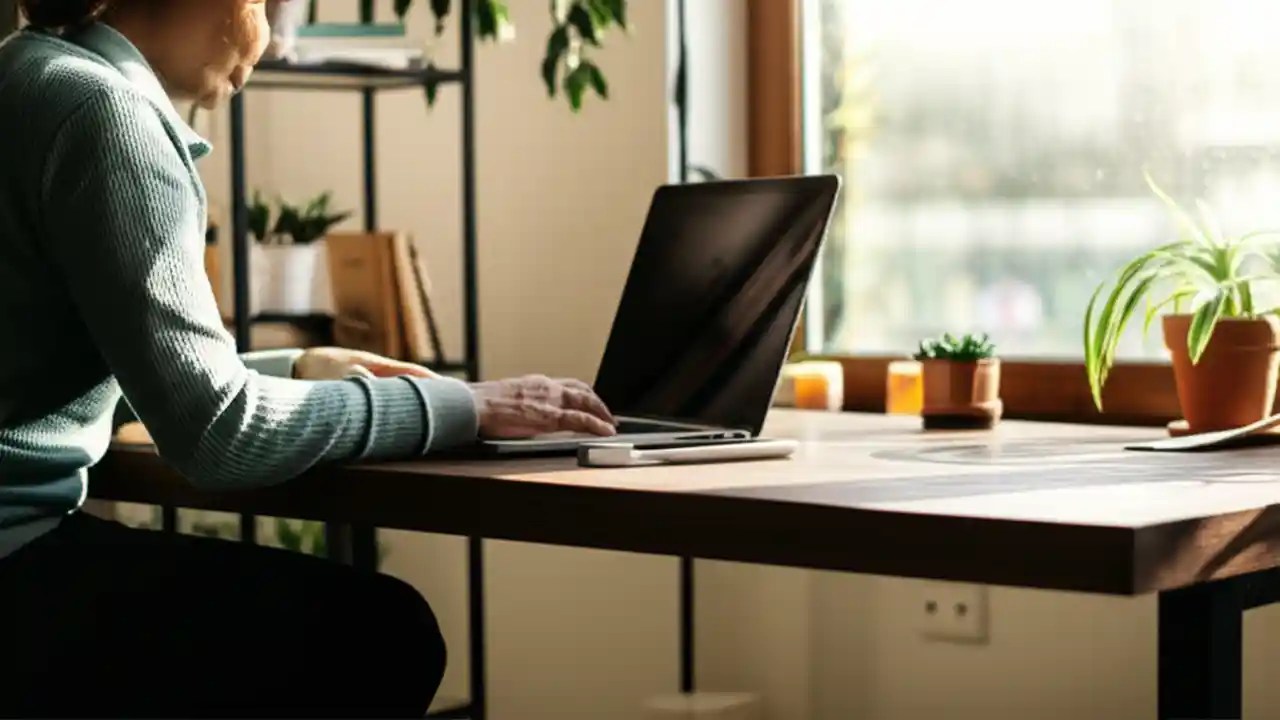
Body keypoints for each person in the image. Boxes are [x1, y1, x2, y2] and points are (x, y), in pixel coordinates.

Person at [0, 0, 618, 716]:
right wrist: (469, 405)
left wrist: (298, 366)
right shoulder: (103, 114)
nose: (273, 29)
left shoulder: (24, 73)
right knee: (381, 636)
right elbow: (217, 433)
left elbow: (95, 368)